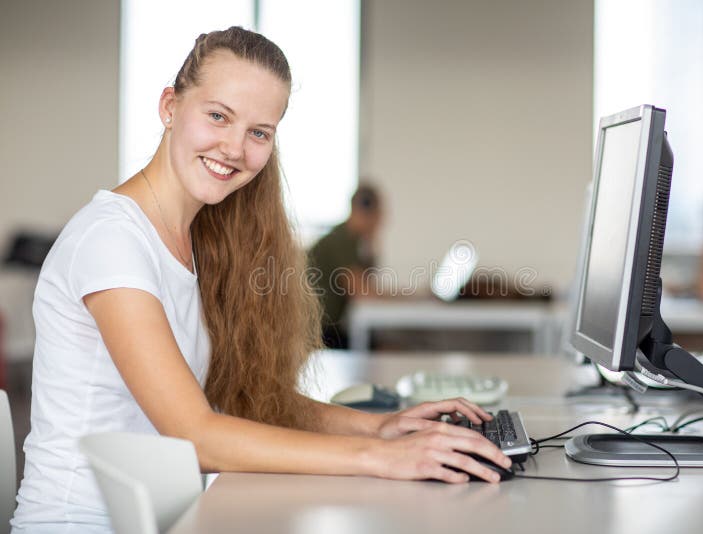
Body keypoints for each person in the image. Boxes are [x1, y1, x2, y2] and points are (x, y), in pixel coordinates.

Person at [11, 27, 510, 533]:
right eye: (218, 116)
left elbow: (240, 402)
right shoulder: (111, 241)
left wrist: (383, 427)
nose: (233, 148)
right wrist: (380, 457)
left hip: (167, 518)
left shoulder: (196, 240)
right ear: (169, 106)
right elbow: (195, 435)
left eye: (259, 132)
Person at [308, 185, 382, 348]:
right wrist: (407, 296)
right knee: (381, 347)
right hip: (316, 332)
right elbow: (363, 293)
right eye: (380, 215)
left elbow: (365, 285)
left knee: (379, 344)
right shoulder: (341, 241)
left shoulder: (350, 239)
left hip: (324, 328)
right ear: (372, 215)